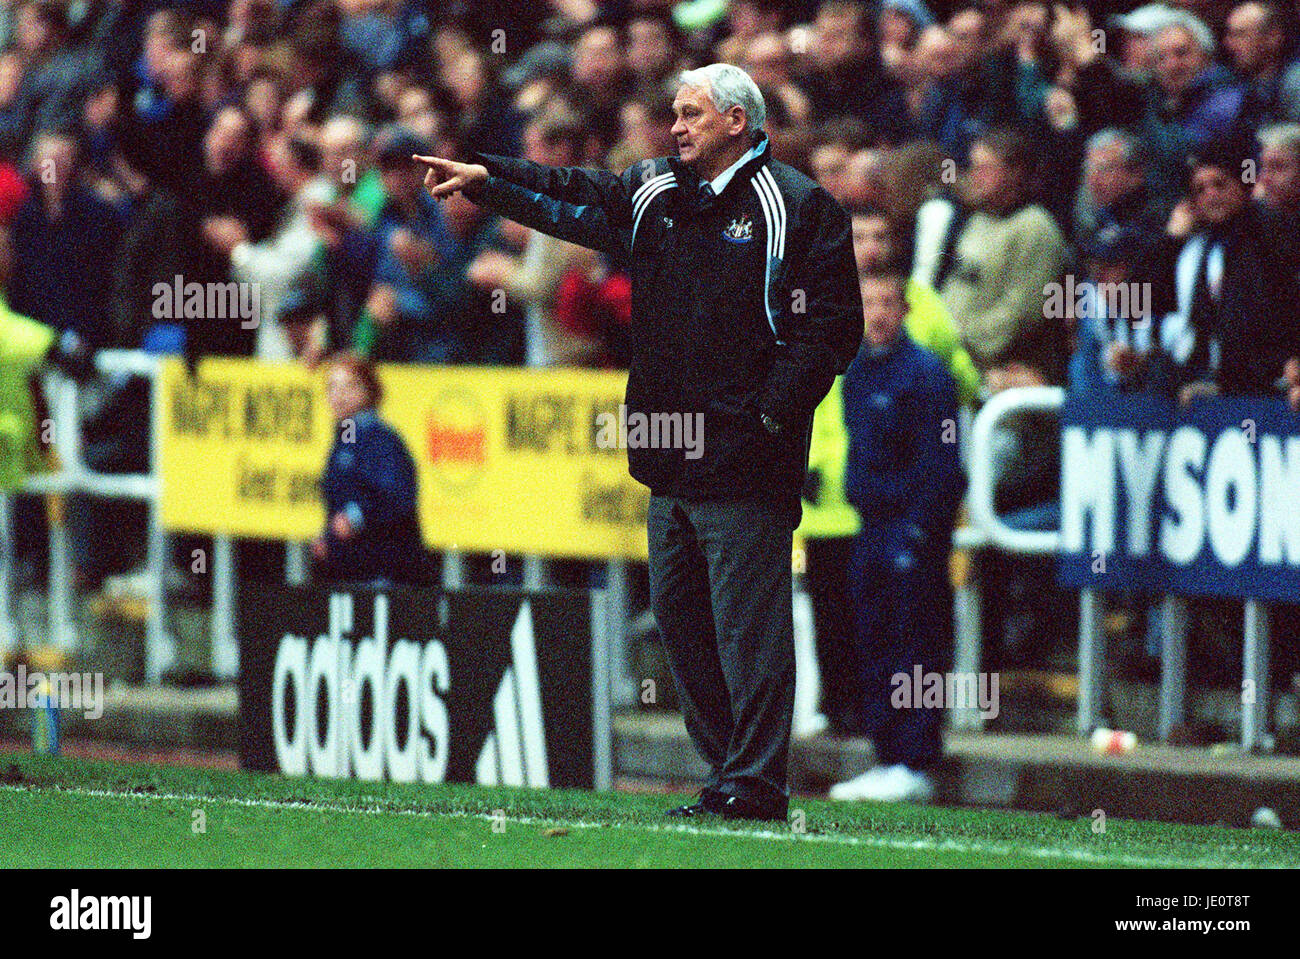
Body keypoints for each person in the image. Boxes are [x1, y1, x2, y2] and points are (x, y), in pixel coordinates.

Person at [415, 62, 863, 821]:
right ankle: (727, 774)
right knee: (684, 628)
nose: (676, 126)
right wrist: (487, 178)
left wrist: (767, 419)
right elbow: (578, 197)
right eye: (675, 112)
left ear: (738, 122)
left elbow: (831, 329)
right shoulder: (654, 189)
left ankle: (755, 782)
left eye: (691, 114)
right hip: (666, 456)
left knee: (748, 631)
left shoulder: (797, 205)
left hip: (748, 461)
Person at [829, 265, 964, 804]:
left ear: (905, 309)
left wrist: (919, 530)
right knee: (874, 639)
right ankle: (886, 754)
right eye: (869, 304)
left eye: (888, 303)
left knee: (917, 641)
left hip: (912, 532)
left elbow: (943, 465)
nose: (878, 315)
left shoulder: (927, 374)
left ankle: (917, 756)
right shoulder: (857, 372)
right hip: (870, 527)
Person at [312, 353, 429, 588]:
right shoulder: (344, 437)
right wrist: (328, 539)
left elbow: (396, 499)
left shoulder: (379, 438)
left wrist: (354, 519)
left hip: (384, 574)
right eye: (332, 387)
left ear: (369, 390)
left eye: (349, 386)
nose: (339, 395)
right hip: (353, 573)